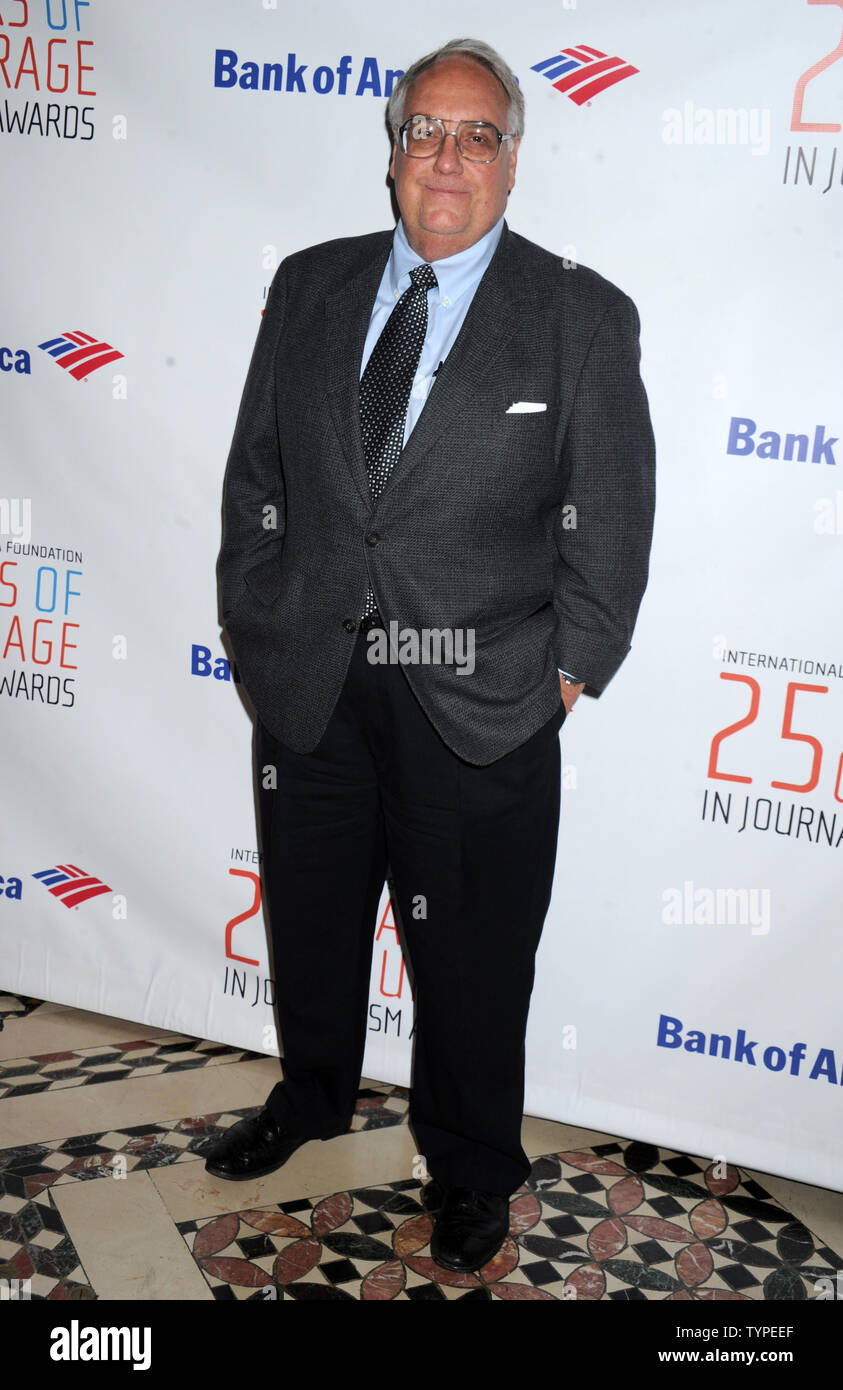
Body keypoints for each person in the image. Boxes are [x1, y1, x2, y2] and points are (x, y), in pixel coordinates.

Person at [207, 36, 656, 1274]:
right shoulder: (310, 285)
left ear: (512, 162)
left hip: (483, 696)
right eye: (424, 132)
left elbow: (611, 522)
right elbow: (261, 474)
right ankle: (308, 1095)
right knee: (309, 915)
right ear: (393, 151)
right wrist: (258, 616)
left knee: (470, 952)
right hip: (312, 686)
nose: (446, 158)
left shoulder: (577, 313)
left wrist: (563, 675)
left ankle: (469, 1164)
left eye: (476, 136)